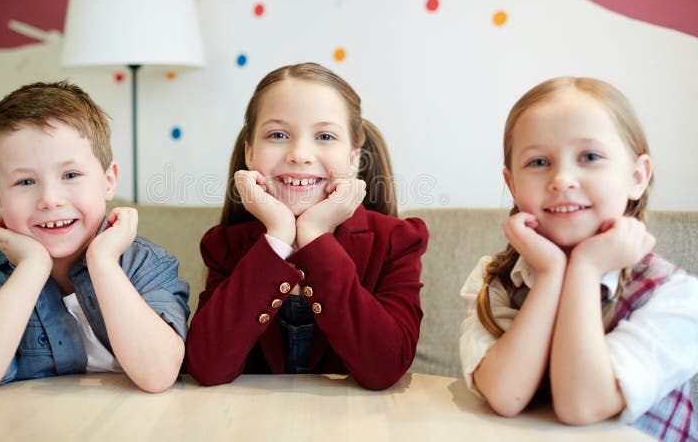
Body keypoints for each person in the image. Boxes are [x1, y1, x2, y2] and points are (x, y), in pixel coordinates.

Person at [459, 77, 698, 440]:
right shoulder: (494, 279)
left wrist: (585, 269)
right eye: (538, 161)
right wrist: (553, 272)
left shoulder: (676, 297)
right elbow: (506, 395)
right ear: (512, 185)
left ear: (637, 177)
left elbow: (581, 406)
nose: (562, 179)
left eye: (589, 157)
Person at [0, 81, 189, 402]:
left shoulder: (144, 264)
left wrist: (103, 261)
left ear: (108, 182)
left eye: (70, 175)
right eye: (25, 181)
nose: (49, 199)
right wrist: (32, 267)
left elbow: (158, 373)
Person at [185, 62, 427, 390]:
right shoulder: (226, 247)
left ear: (354, 157)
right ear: (250, 152)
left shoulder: (396, 241)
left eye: (325, 136)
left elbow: (385, 368)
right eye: (278, 135)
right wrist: (278, 237)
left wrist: (313, 237)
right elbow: (207, 367)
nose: (300, 154)